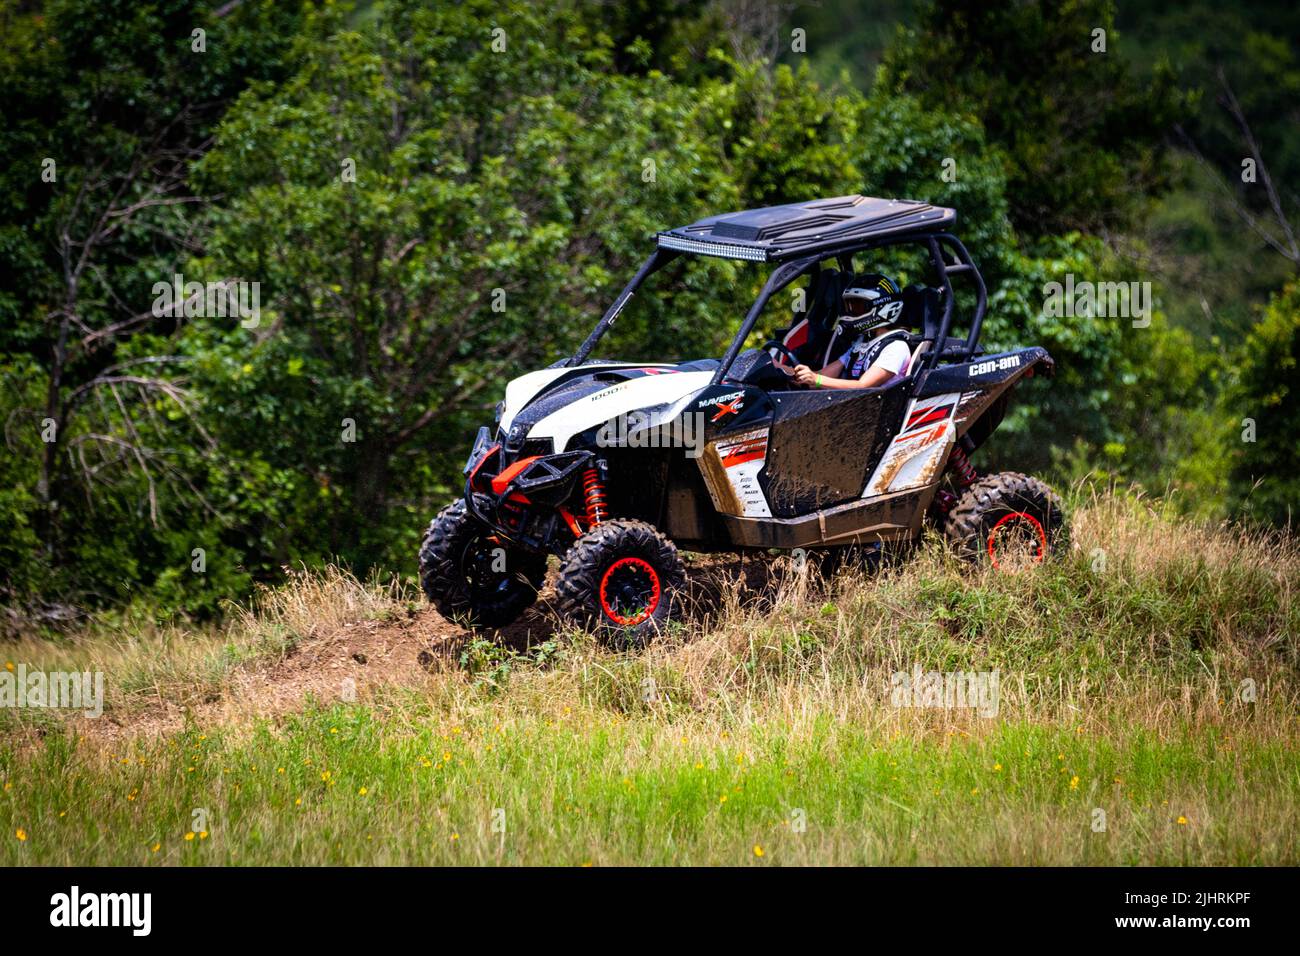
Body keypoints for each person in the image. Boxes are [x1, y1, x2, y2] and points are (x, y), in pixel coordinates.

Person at [785, 277, 911, 389]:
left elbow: (863, 386)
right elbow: (820, 376)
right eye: (850, 306)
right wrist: (780, 368)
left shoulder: (896, 347)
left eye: (858, 306)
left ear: (882, 307)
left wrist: (816, 380)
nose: (851, 312)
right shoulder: (862, 342)